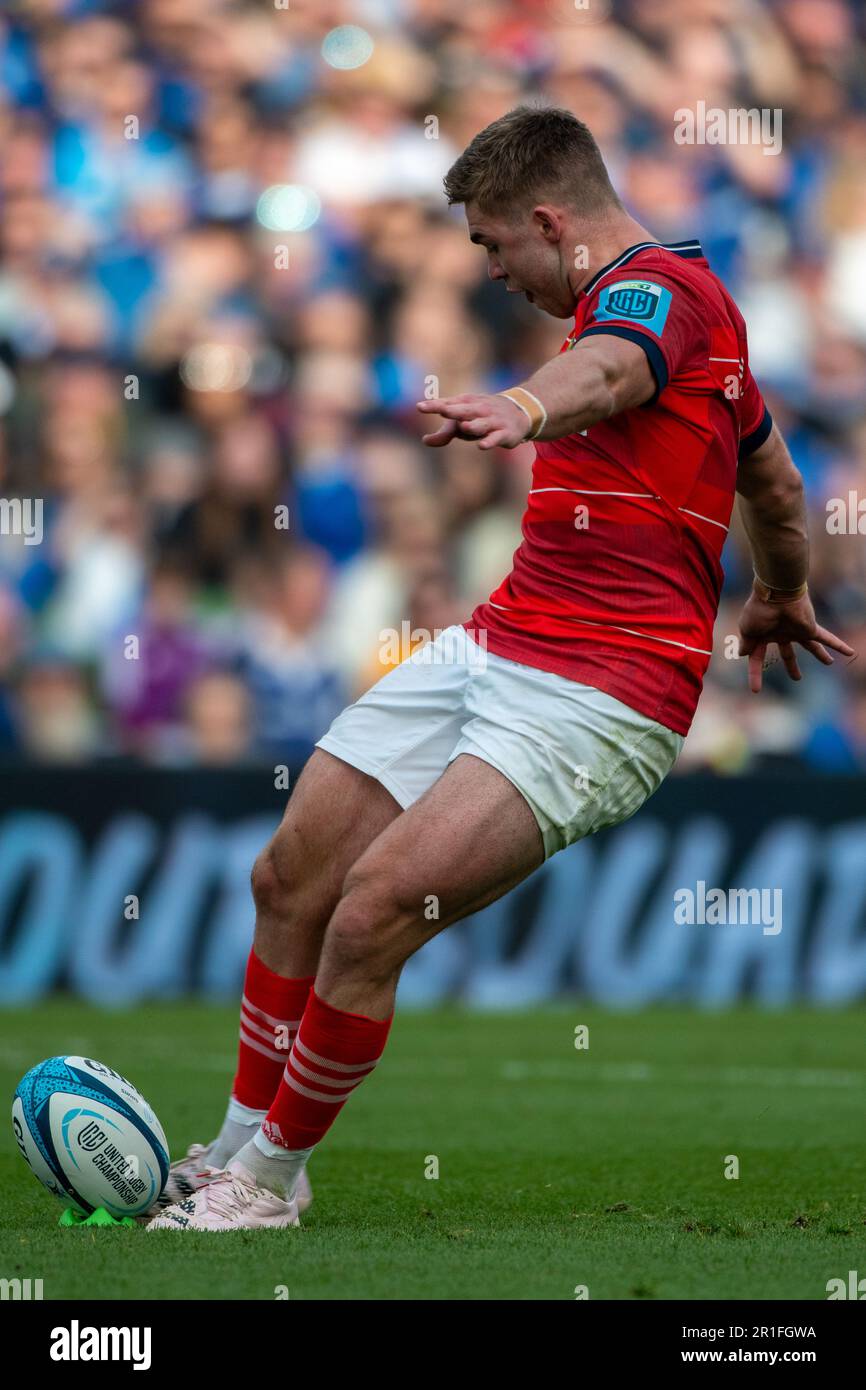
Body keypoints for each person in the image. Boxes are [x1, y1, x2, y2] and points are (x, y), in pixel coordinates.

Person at [149, 106, 853, 1231]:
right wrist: (777, 588)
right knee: (290, 877)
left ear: (544, 219)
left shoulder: (649, 296)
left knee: (372, 910)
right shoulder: (702, 334)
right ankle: (234, 1139)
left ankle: (268, 1181)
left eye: (490, 245)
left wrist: (521, 405)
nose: (492, 271)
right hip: (498, 638)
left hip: (603, 692)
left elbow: (609, 372)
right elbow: (767, 479)